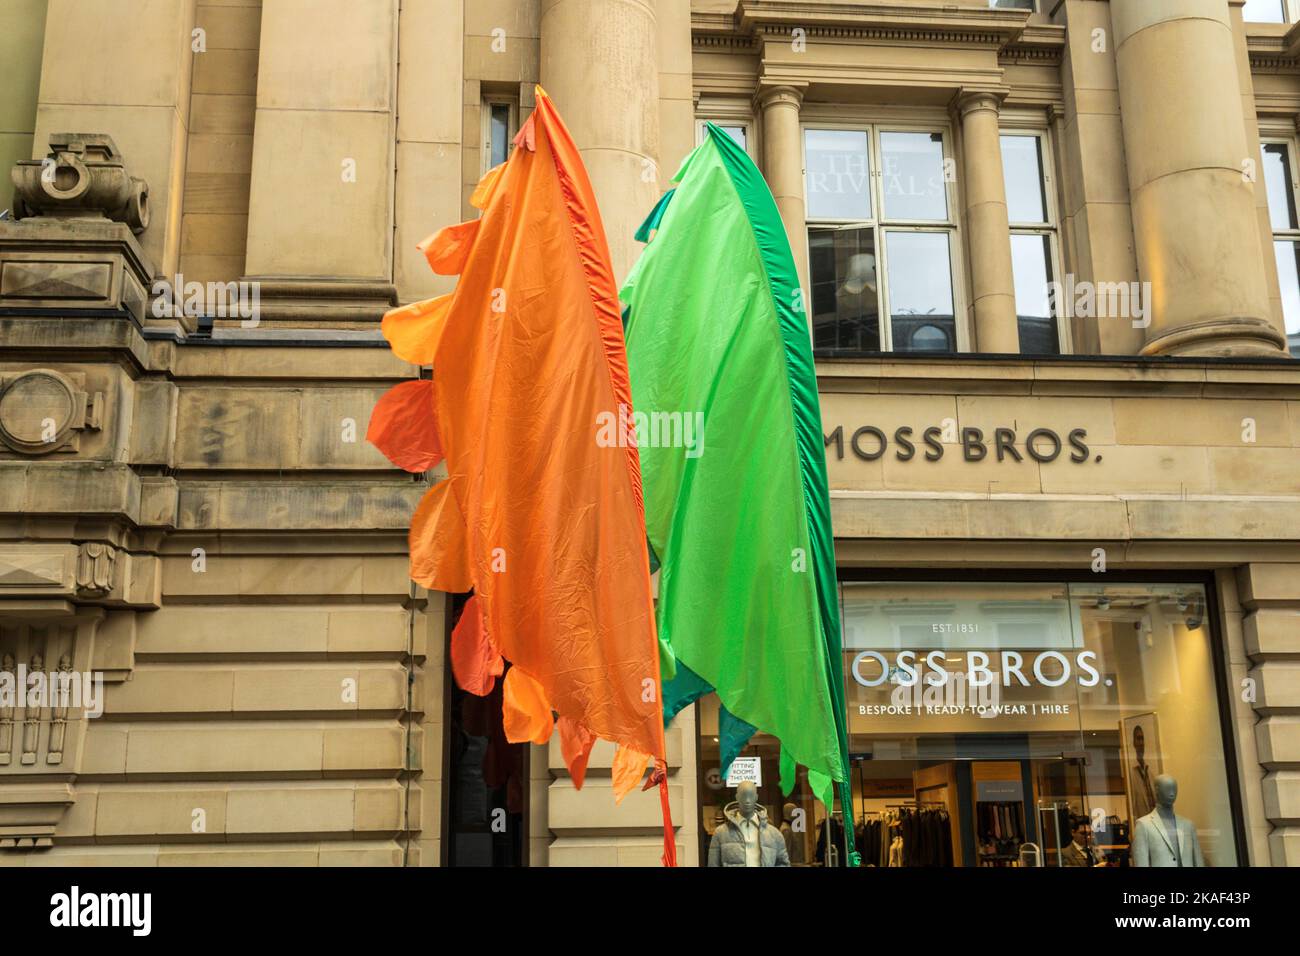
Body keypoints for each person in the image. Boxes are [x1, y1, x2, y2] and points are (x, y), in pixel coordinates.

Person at [707, 780, 790, 867]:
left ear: (756, 797)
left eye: (751, 795)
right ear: (737, 797)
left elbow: (783, 863)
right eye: (743, 795)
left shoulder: (774, 834)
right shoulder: (721, 833)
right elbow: (713, 864)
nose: (747, 800)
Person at [1127, 724, 1157, 822]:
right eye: (1138, 739)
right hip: (1143, 826)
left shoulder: (1150, 772)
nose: (1141, 743)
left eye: (1142, 739)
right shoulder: (1131, 774)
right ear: (1134, 743)